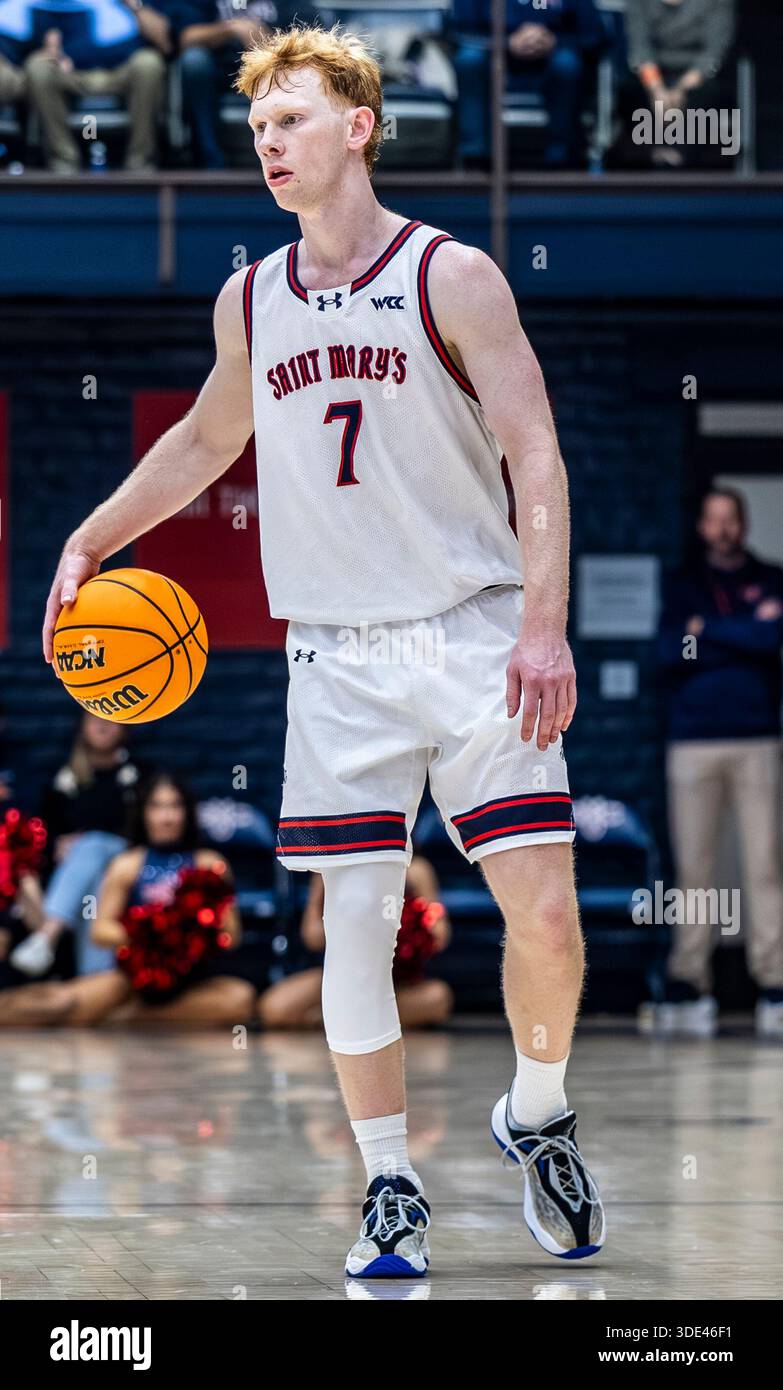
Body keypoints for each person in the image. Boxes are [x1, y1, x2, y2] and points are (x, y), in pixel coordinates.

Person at [42, 22, 604, 1278]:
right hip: (337, 659)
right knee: (351, 926)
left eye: (289, 119)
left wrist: (544, 623)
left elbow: (538, 456)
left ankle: (540, 1111)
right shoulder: (251, 297)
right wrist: (88, 540)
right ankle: (390, 1181)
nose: (267, 143)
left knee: (549, 919)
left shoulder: (451, 276)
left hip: (474, 636)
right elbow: (199, 444)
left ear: (359, 126)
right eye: (256, 128)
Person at [648, 487, 783, 1038]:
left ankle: (773, 981)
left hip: (758, 740)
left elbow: (770, 638)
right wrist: (741, 632)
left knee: (765, 863)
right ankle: (689, 982)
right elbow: (665, 653)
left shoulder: (771, 578)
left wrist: (707, 633)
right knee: (695, 869)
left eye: (733, 519)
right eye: (715, 520)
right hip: (693, 743)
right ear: (702, 526)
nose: (724, 529)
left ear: (743, 525)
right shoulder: (683, 584)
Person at [0, 770, 257, 1025]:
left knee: (240, 1000)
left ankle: (125, 1017)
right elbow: (100, 930)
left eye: (175, 807)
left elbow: (232, 935)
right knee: (62, 1003)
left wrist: (188, 937)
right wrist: (155, 933)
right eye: (157, 807)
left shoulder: (211, 863)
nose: (166, 817)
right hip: (133, 978)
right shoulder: (128, 863)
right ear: (144, 813)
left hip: (192, 979)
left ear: (187, 812)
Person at [10, 711, 143, 977]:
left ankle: (48, 935)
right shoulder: (61, 777)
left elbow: (144, 831)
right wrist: (57, 846)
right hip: (82, 875)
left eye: (111, 718)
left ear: (125, 727)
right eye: (95, 719)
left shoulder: (141, 776)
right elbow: (42, 832)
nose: (103, 725)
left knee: (92, 845)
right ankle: (95, 983)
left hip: (127, 866)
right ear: (81, 727)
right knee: (95, 882)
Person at [258, 858, 454, 1032]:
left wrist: (402, 934)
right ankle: (366, 1020)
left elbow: (440, 934)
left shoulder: (416, 869)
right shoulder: (331, 865)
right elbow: (312, 936)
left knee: (438, 999)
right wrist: (351, 928)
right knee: (274, 1008)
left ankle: (335, 1021)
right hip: (340, 975)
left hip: (398, 981)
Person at [450, 0, 607, 169]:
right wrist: (507, 42)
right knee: (469, 59)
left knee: (566, 64)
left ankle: (562, 157)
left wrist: (553, 41)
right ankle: (474, 157)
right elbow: (459, 31)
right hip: (492, 54)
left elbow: (593, 33)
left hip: (555, 54)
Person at [24, 0, 172, 172]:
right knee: (38, 65)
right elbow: (48, 36)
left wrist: (133, 5)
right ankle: (64, 161)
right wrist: (55, 54)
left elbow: (165, 43)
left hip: (124, 71)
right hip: (74, 74)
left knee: (149, 63)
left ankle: (140, 163)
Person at [624, 0, 735, 168]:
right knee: (629, 91)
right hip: (655, 74)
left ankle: (682, 159)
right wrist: (656, 89)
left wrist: (681, 90)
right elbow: (639, 47)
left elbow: (714, 51)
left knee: (707, 94)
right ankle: (650, 158)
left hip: (697, 76)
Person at [168, 0, 275, 168]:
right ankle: (209, 162)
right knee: (193, 61)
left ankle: (275, 161)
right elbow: (186, 38)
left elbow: (306, 37)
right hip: (217, 68)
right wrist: (233, 27)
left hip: (270, 68)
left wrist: (265, 44)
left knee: (283, 71)